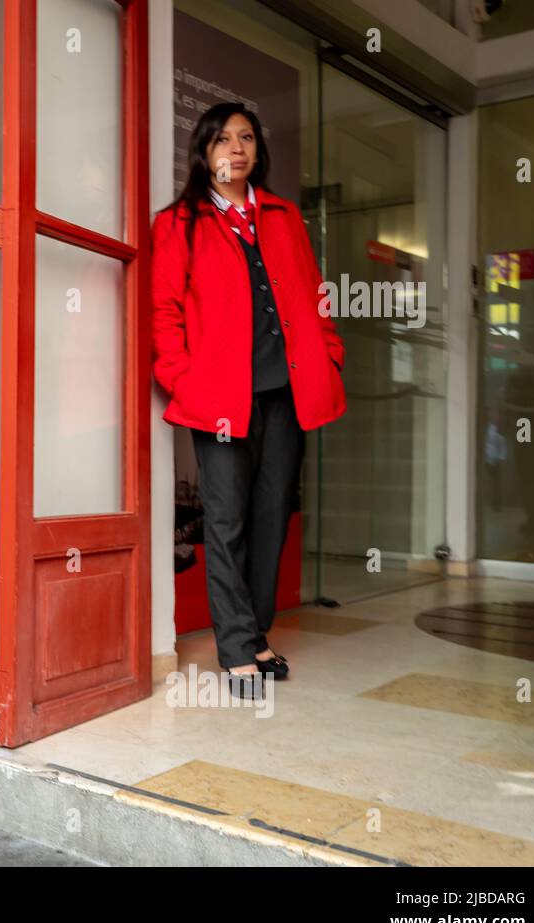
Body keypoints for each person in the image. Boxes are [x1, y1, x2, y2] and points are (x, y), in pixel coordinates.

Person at [150, 102, 346, 699]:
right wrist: (183, 377)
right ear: (205, 152)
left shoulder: (284, 217)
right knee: (228, 518)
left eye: (247, 139)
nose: (237, 149)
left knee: (271, 515)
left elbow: (315, 295)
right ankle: (236, 646)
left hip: (288, 393)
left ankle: (255, 632)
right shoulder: (179, 223)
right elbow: (165, 312)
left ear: (257, 152)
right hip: (219, 396)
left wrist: (329, 352)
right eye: (224, 140)